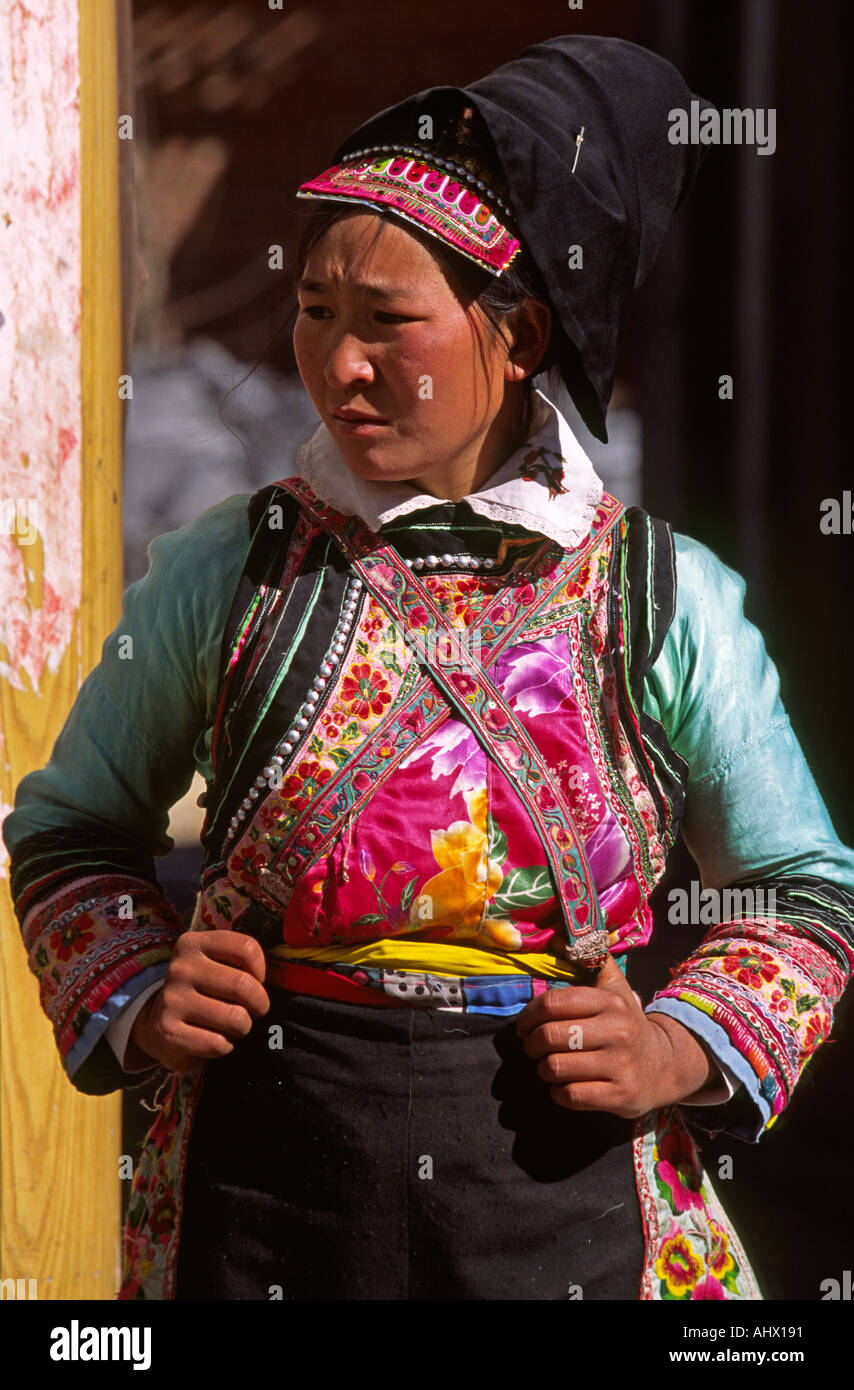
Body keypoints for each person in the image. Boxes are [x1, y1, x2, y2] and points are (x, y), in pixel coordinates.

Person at [5, 34, 854, 1302]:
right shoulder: (227, 572)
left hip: (564, 1185)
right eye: (312, 311)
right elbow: (71, 827)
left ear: (518, 338)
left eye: (387, 323)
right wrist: (137, 990)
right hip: (267, 1177)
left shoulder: (659, 600)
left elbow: (798, 887)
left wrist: (675, 1049)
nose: (337, 363)